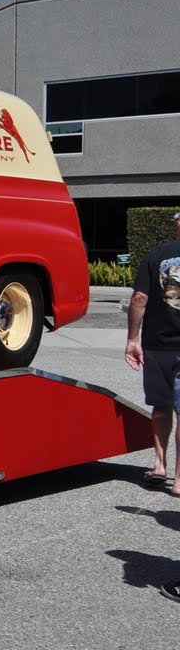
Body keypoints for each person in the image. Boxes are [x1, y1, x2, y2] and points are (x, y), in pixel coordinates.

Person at [125, 210, 180, 495]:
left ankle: (159, 466)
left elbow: (139, 298)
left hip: (156, 346)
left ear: (177, 226)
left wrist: (133, 338)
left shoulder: (157, 254)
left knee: (161, 406)